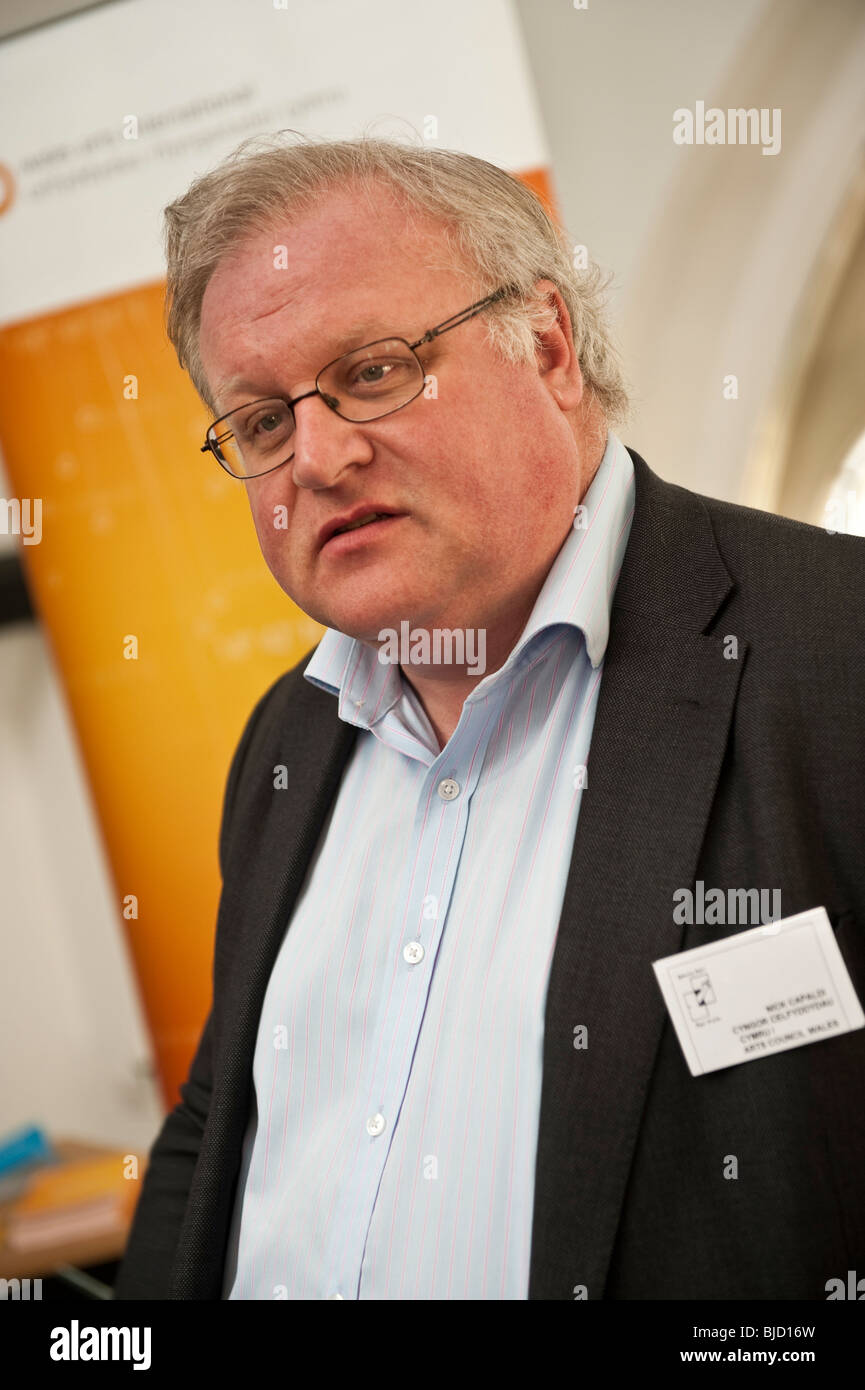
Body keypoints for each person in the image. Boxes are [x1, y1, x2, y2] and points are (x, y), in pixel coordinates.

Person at [114, 134, 865, 1301]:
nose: (315, 456)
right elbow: (224, 1119)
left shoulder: (834, 651)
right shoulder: (285, 741)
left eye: (371, 371)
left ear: (550, 345)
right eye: (261, 422)